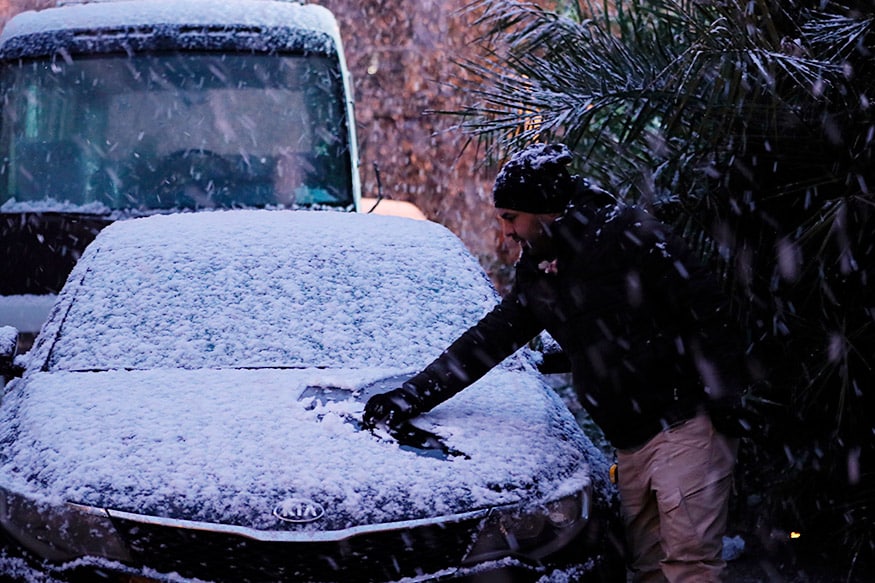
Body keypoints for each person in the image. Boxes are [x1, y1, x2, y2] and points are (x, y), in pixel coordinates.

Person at [363, 142, 752, 582]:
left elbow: (707, 311)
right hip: (630, 440)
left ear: (545, 210)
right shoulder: (543, 267)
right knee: (648, 569)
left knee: (689, 566)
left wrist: (722, 402)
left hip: (685, 425)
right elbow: (489, 340)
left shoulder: (626, 236)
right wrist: (412, 395)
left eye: (511, 218)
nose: (506, 233)